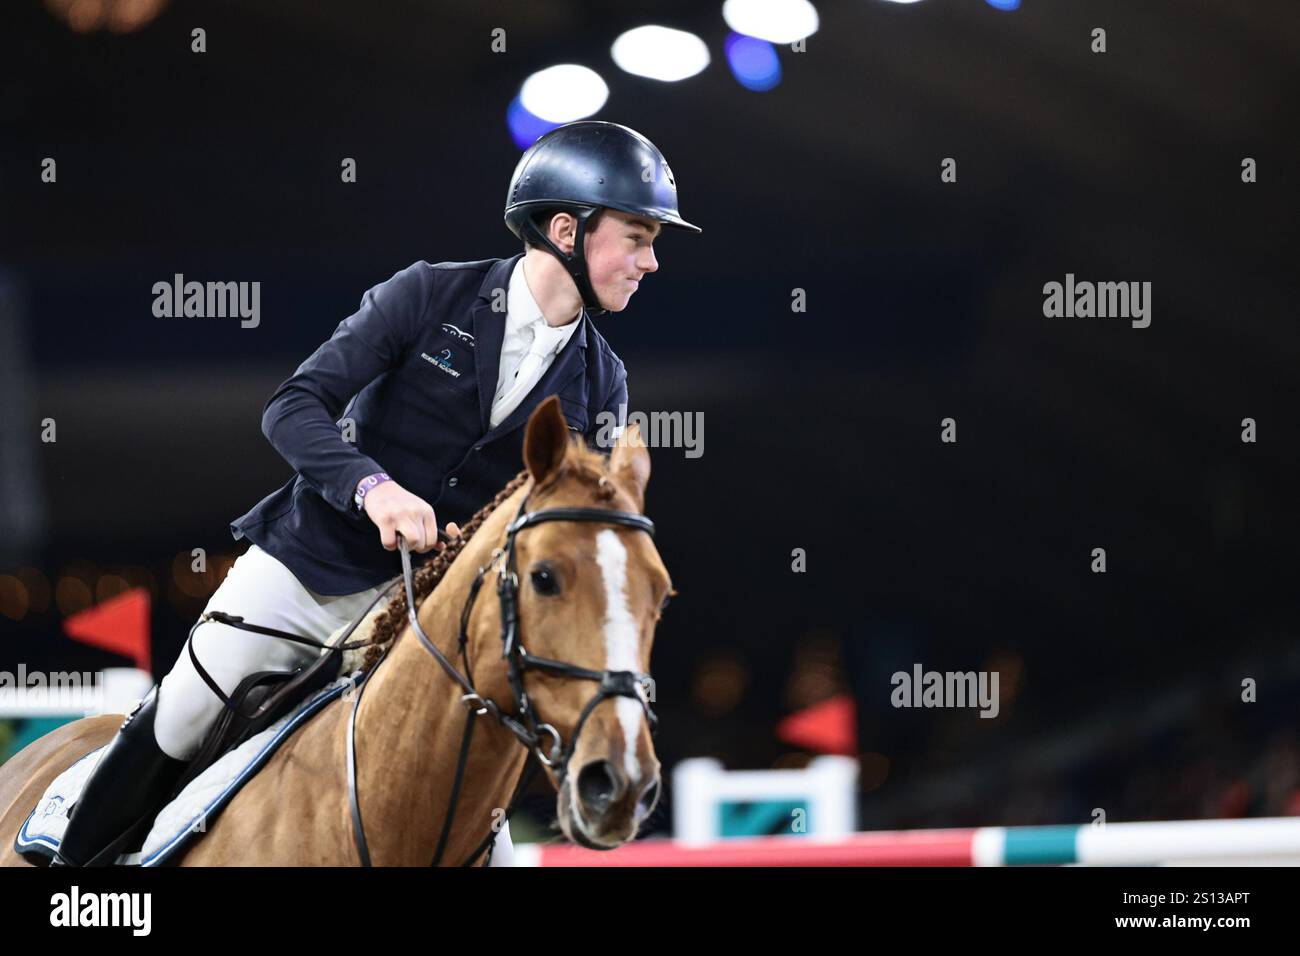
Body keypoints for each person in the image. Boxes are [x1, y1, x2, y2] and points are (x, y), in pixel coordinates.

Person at [51, 120, 701, 867]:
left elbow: (570, 524)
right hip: (309, 571)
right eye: (638, 237)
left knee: (473, 792)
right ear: (565, 228)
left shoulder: (603, 379)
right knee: (187, 709)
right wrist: (373, 488)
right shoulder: (426, 294)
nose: (650, 262)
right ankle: (78, 886)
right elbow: (292, 407)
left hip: (425, 617)